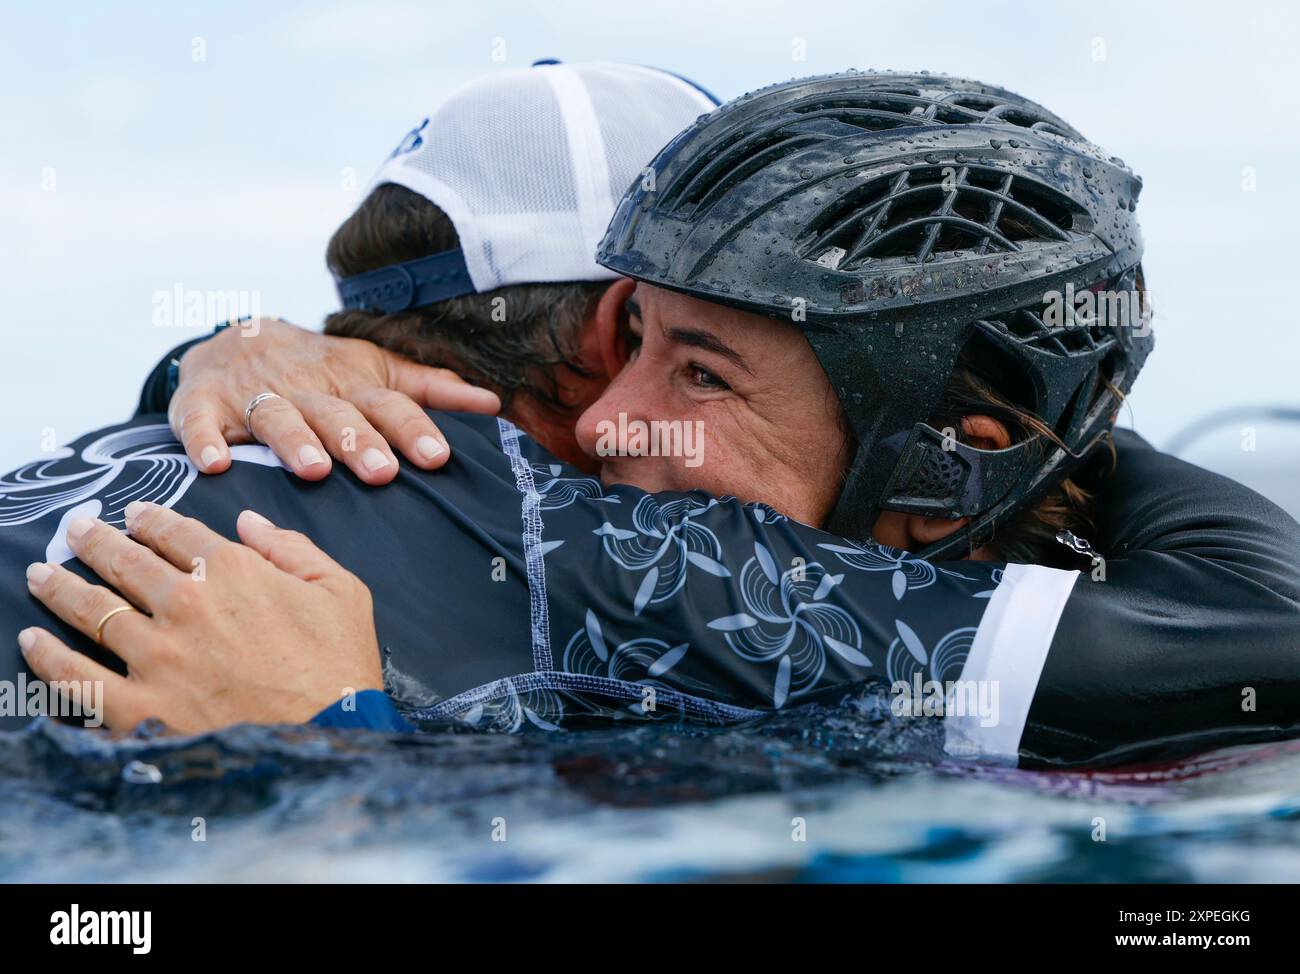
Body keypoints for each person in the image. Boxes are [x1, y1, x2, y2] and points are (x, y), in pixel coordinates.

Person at [13, 69, 1300, 767]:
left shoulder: (200, 431)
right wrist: (349, 756)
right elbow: (1260, 645)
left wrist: (210, 347)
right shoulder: (622, 548)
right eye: (654, 344)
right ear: (607, 319)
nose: (633, 422)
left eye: (705, 365)